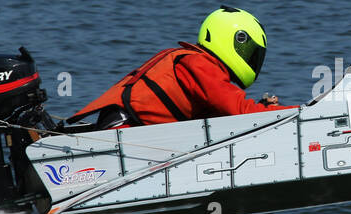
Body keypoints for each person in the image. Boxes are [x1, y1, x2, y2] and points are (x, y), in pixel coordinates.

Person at [68, 7, 289, 128]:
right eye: (249, 51)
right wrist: (302, 112)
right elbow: (242, 112)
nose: (251, 59)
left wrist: (264, 109)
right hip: (123, 136)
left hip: (127, 133)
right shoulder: (200, 66)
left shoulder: (193, 61)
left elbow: (225, 114)